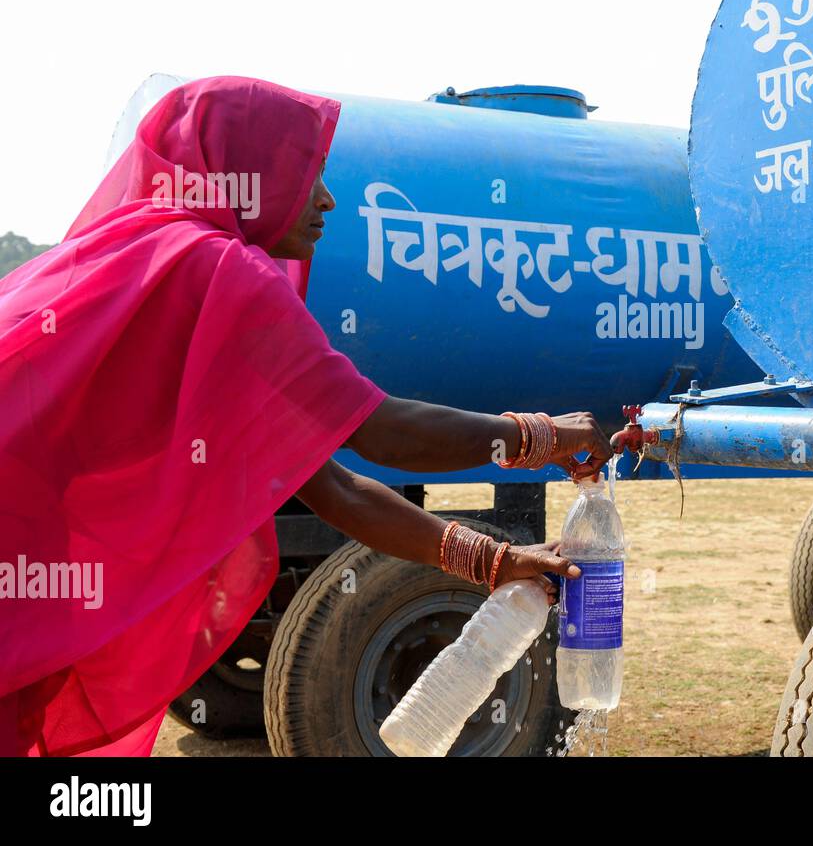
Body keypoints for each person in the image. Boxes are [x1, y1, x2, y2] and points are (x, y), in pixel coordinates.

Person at [0, 76, 612, 756]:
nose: (326, 199)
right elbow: (384, 432)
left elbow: (335, 487)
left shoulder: (149, 251)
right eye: (305, 174)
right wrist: (548, 436)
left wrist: (496, 561)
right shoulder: (217, 269)